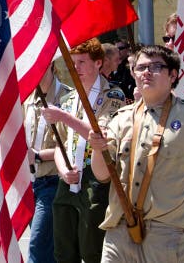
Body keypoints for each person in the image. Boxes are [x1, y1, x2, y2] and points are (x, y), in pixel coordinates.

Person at [87, 45, 184, 263]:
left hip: (167, 236)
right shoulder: (121, 118)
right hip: (119, 233)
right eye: (140, 67)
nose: (146, 72)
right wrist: (98, 148)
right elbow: (101, 175)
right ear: (132, 73)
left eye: (156, 67)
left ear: (173, 75)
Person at [39, 38, 125, 263]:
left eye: (82, 62)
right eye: (73, 63)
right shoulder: (68, 98)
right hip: (68, 179)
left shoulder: (112, 95)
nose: (76, 68)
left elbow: (102, 136)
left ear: (98, 63)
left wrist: (64, 117)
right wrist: (62, 169)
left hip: (95, 178)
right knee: (64, 250)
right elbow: (59, 144)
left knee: (92, 249)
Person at [23, 62, 72, 263]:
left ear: (50, 65)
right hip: (28, 182)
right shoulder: (27, 98)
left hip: (52, 182)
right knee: (48, 248)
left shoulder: (67, 97)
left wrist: (37, 155)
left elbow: (71, 145)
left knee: (37, 244)